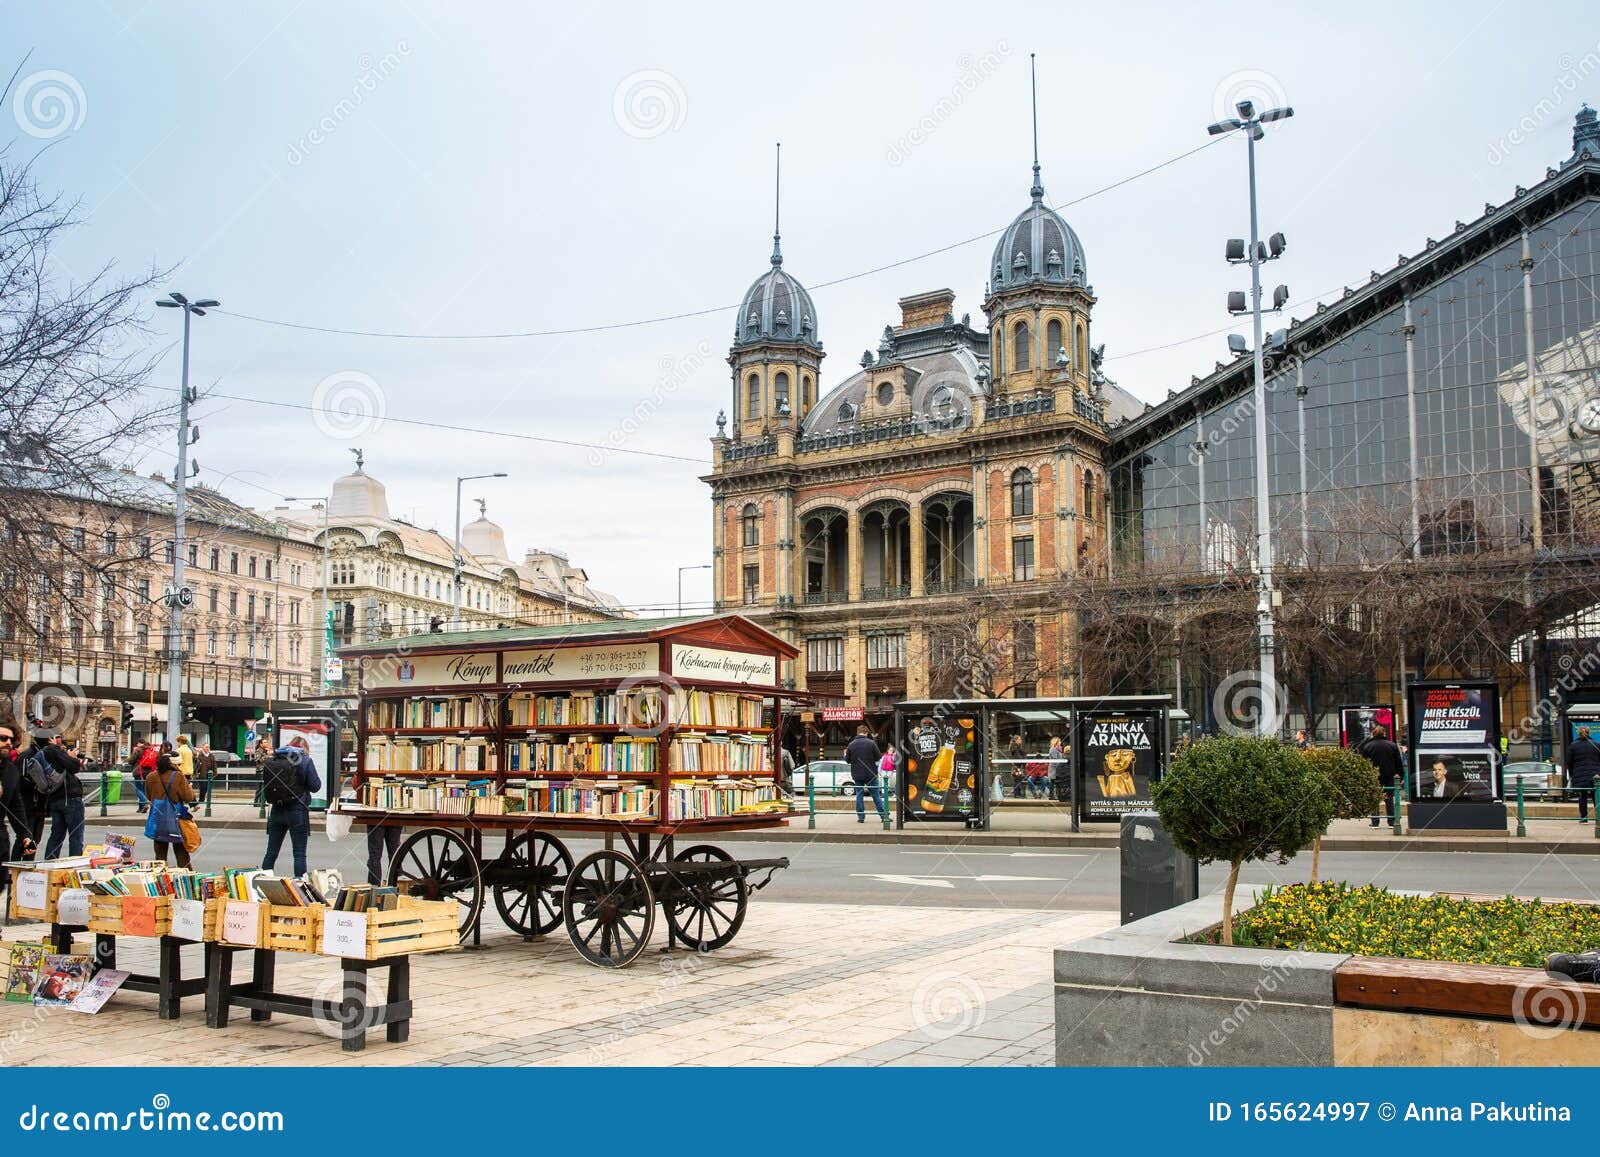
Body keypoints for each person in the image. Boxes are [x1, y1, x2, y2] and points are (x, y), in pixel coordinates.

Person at [261, 736, 321, 876]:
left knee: (271, 853)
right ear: (304, 748)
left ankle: (261, 886)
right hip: (297, 811)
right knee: (299, 854)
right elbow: (315, 786)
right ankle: (300, 889)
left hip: (277, 809)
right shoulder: (305, 760)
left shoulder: (275, 760)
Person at [32, 732, 86, 858]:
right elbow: (74, 766)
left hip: (55, 797)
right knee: (76, 835)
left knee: (56, 835)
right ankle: (74, 864)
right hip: (70, 797)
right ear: (51, 739)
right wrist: (71, 756)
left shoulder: (40, 754)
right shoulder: (53, 750)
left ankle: (50, 862)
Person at [144, 752, 196, 868]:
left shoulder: (151, 776)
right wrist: (190, 789)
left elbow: (148, 796)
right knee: (181, 852)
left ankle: (161, 876)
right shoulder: (178, 776)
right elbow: (188, 797)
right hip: (175, 818)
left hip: (157, 817)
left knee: (160, 853)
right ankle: (187, 877)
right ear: (172, 764)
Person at [0, 719, 36, 879]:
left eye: (11, 739)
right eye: (3, 738)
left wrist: (25, 836)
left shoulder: (11, 770)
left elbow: (16, 806)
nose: (8, 743)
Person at [1357, 724, 1404, 827]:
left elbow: (1363, 763)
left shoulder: (1368, 746)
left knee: (1374, 799)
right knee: (1389, 799)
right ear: (1384, 733)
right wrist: (1401, 776)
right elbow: (1398, 763)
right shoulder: (1392, 745)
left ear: (1373, 734)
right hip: (1389, 776)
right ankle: (1392, 822)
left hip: (1374, 776)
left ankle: (1375, 822)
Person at [844, 724, 886, 824]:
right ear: (866, 733)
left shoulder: (851, 744)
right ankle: (883, 816)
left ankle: (861, 817)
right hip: (871, 773)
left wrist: (845, 754)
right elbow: (878, 757)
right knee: (876, 795)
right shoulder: (871, 743)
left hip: (857, 774)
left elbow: (848, 760)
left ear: (857, 733)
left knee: (859, 795)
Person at [1566, 725, 1600, 822]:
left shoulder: (1573, 745)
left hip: (1579, 775)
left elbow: (1569, 761)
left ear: (1578, 733)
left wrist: (1572, 774)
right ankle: (1598, 818)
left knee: (1582, 796)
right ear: (1589, 733)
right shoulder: (1596, 744)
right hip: (1595, 775)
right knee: (1596, 796)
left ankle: (1584, 818)